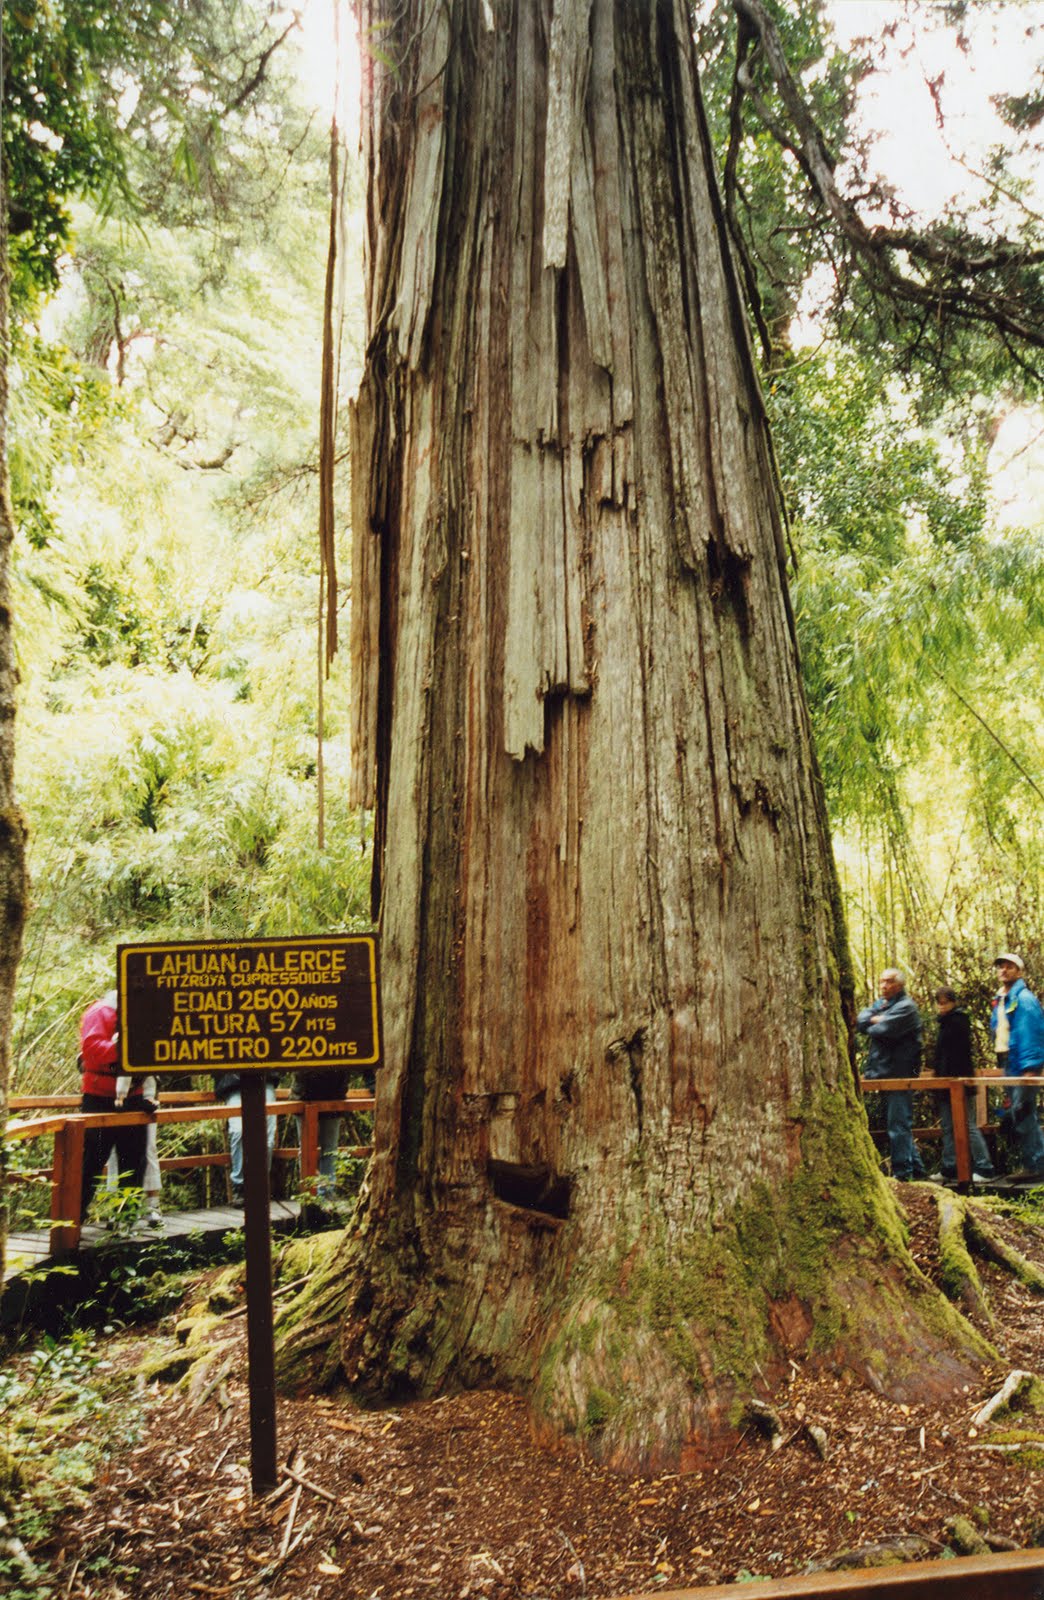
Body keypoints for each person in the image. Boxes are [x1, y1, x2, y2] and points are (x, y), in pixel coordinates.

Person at [79, 990, 154, 1218]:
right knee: (92, 1160)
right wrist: (128, 1049)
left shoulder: (143, 1014)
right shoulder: (101, 1011)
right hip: (99, 1099)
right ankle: (75, 1217)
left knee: (133, 1161)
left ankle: (126, 1218)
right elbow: (91, 1049)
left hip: (133, 1097)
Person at [857, 967, 927, 1181]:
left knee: (898, 1124)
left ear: (900, 984)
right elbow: (861, 1019)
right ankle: (918, 1171)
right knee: (898, 1124)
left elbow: (882, 1030)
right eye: (881, 982)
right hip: (885, 1072)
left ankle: (903, 1175)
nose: (884, 986)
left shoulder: (907, 1008)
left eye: (888, 982)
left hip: (900, 1073)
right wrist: (875, 1019)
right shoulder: (884, 1005)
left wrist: (877, 1022)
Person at [929, 987, 995, 1185]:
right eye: (939, 1002)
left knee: (968, 1125)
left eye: (945, 1002)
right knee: (948, 1126)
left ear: (953, 1002)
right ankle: (950, 1167)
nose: (942, 1006)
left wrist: (955, 1081)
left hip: (959, 1083)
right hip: (945, 1084)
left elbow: (957, 1057)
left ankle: (985, 1167)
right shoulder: (943, 1023)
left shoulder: (958, 1021)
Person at [990, 953, 1044, 1183]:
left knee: (1022, 1112)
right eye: (1001, 966)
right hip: (1009, 1062)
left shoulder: (1024, 999)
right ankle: (1034, 1163)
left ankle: (1036, 1165)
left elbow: (1030, 1033)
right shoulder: (1002, 999)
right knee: (1020, 1112)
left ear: (1019, 972)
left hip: (1023, 1065)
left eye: (1009, 967)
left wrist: (1030, 1068)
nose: (1003, 970)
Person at [212, 1069, 281, 1204]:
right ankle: (240, 1187)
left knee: (267, 1138)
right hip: (233, 1083)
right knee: (238, 1131)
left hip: (265, 1079)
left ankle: (260, 1185)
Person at [293, 1068, 349, 1199]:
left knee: (330, 1150)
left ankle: (326, 1192)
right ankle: (308, 1193)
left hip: (334, 1095)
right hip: (304, 1095)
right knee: (306, 1149)